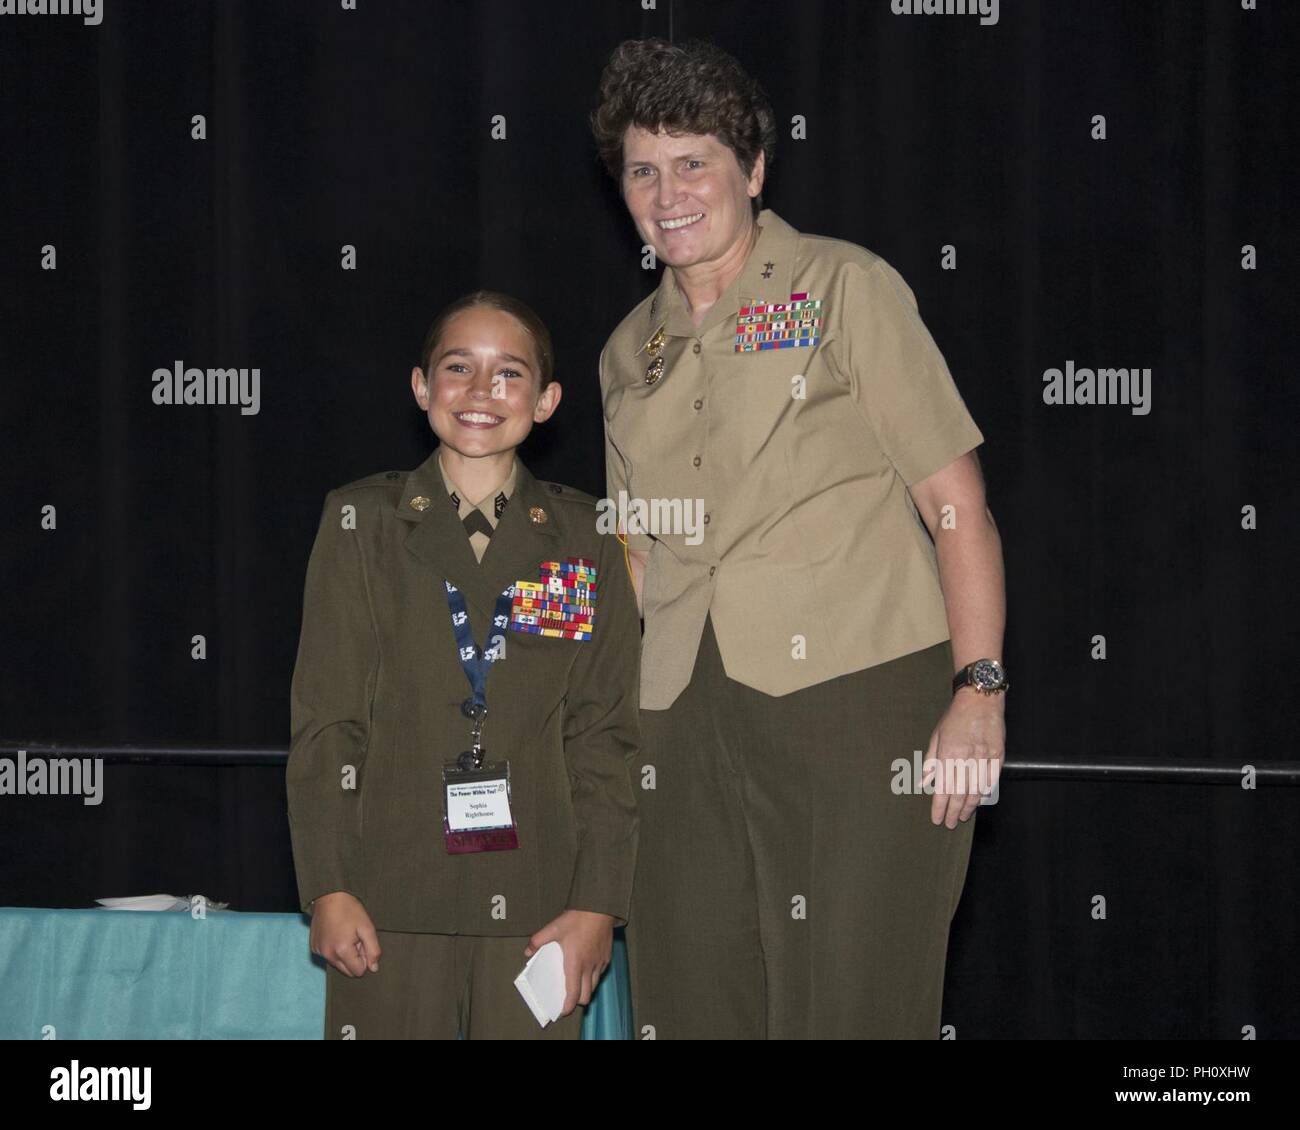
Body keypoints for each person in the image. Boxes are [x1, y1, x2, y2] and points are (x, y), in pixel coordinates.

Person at [590, 38, 1008, 1039]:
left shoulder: (844, 287)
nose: (668, 190)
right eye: (643, 170)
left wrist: (978, 688)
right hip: (679, 719)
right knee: (690, 1000)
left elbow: (955, 502)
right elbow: (631, 562)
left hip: (858, 695)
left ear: (754, 171)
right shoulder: (623, 352)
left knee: (850, 1002)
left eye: (694, 162)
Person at [286, 291, 641, 1039]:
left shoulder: (586, 539)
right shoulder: (360, 523)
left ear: (545, 401)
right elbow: (328, 723)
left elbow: (605, 736)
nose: (482, 393)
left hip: (542, 906)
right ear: (422, 387)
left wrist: (597, 905)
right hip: (386, 897)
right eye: (459, 368)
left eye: (509, 374)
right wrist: (327, 888)